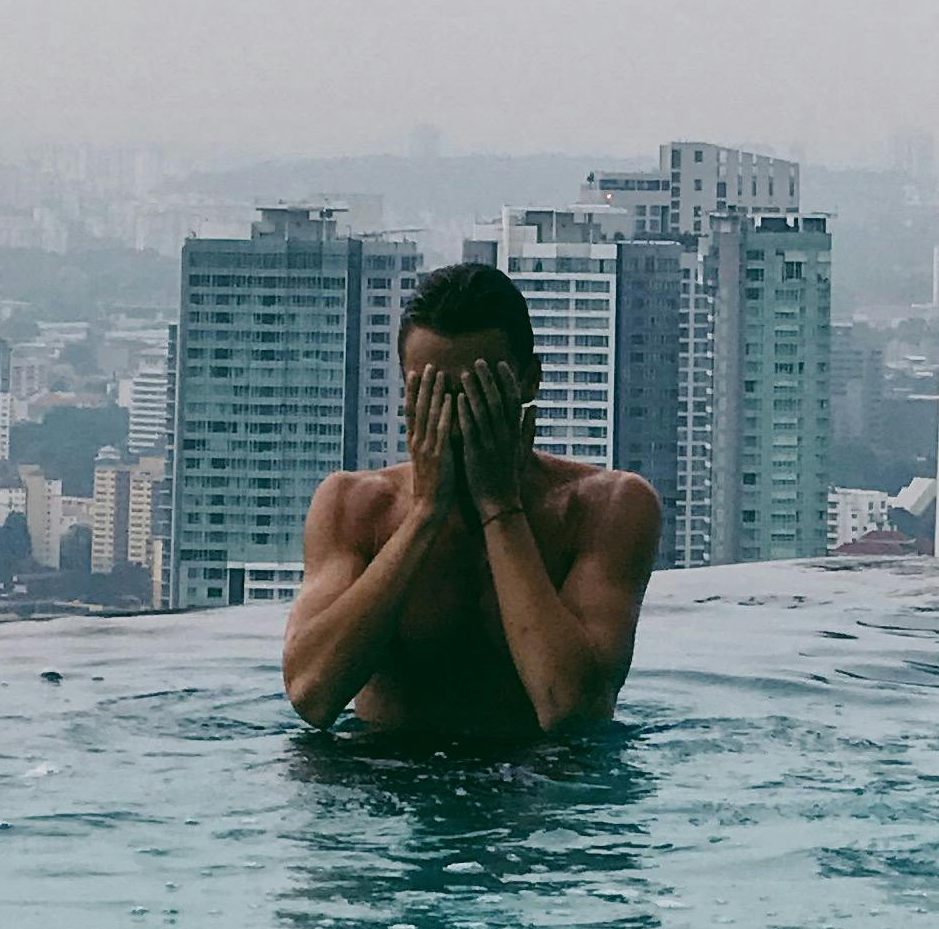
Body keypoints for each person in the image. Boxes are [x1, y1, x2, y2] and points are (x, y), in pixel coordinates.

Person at [282, 261, 662, 741]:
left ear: (529, 381)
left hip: (537, 785)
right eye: (432, 393)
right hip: (383, 778)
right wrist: (423, 515)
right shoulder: (354, 506)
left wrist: (500, 508)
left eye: (480, 392)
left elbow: (573, 709)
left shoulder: (606, 508)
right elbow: (311, 695)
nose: (456, 417)